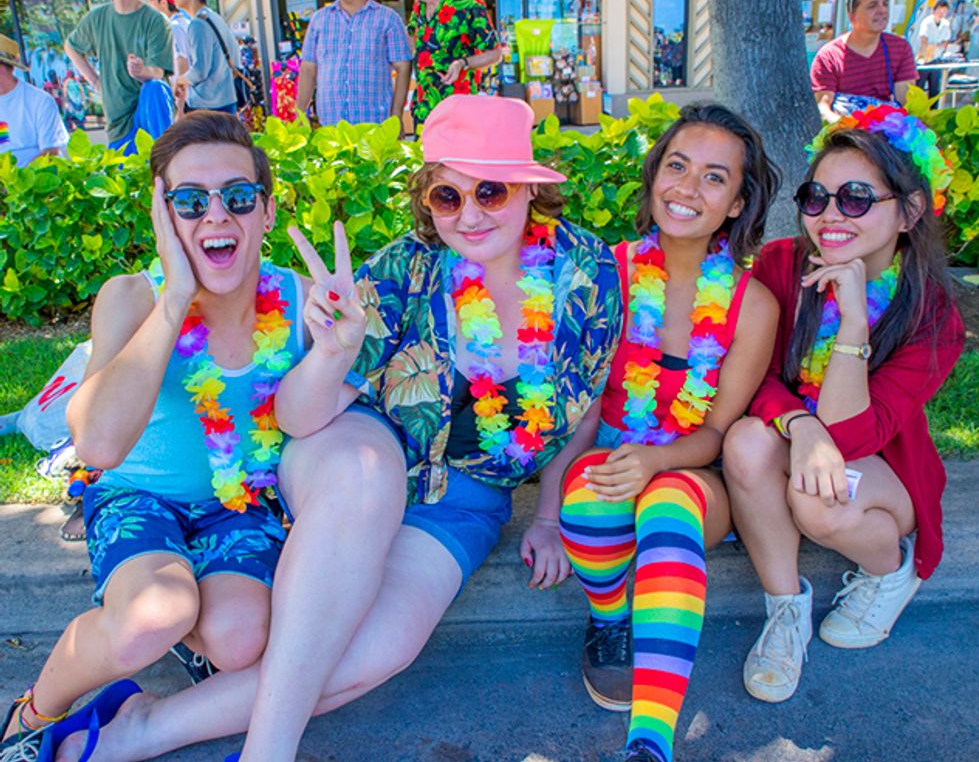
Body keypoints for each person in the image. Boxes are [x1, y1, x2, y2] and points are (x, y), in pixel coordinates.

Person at [36, 93, 621, 762]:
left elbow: (585, 400)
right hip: (365, 453)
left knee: (376, 651)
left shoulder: (588, 273)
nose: (469, 213)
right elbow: (296, 416)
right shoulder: (403, 268)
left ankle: (145, 726)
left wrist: (546, 515)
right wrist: (334, 352)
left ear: (530, 188)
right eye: (447, 195)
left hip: (461, 502)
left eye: (491, 190)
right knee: (360, 474)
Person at [0, 110, 319, 761]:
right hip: (137, 495)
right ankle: (34, 710)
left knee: (239, 640)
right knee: (153, 615)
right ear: (163, 215)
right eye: (190, 201)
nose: (215, 215)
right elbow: (97, 445)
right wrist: (174, 299)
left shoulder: (301, 302)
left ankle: (183, 638)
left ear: (265, 210)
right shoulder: (131, 296)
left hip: (240, 501)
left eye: (237, 197)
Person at [558, 104, 781, 762]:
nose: (687, 188)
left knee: (666, 505)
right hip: (612, 450)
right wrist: (548, 511)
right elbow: (578, 403)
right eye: (677, 166)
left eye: (714, 177)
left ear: (737, 203)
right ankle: (609, 619)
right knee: (591, 497)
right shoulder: (608, 272)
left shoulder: (752, 304)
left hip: (696, 473)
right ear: (655, 175)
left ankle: (650, 744)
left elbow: (716, 430)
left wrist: (658, 462)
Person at [723, 105, 964, 704]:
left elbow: (854, 437)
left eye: (856, 199)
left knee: (818, 503)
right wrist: (800, 424)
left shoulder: (933, 315)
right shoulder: (781, 265)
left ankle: (889, 569)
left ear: (910, 210)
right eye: (817, 197)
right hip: (797, 440)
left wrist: (853, 321)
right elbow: (753, 377)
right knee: (746, 440)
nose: (830, 215)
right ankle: (786, 612)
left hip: (883, 474)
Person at [65, 0, 174, 153]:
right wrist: (95, 81)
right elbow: (71, 47)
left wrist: (141, 71)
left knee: (155, 87)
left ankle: (166, 155)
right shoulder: (96, 19)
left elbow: (158, 72)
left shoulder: (155, 20)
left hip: (150, 118)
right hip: (118, 124)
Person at [295, 0, 412, 127]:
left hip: (375, 129)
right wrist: (300, 118)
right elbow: (308, 70)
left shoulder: (387, 19)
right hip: (330, 131)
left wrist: (396, 116)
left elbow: (403, 67)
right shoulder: (319, 20)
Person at [810, 0, 918, 122]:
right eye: (872, 5)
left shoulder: (900, 48)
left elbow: (907, 104)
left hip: (887, 132)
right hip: (845, 131)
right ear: (852, 16)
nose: (882, 10)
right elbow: (823, 107)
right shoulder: (829, 56)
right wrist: (850, 127)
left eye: (885, 4)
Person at [407, 0, 502, 126]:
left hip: (458, 114)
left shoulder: (468, 3)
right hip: (424, 113)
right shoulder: (420, 7)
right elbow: (411, 43)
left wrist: (463, 63)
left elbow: (495, 53)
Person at [169, 0, 240, 115]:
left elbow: (200, 70)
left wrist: (181, 80)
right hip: (226, 101)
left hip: (208, 106)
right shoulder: (213, 17)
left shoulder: (198, 24)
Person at [0, 34, 70, 166]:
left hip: (36, 176)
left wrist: (17, 176)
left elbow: (51, 152)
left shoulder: (40, 101)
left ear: (7, 67)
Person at [147, 0, 191, 114]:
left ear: (164, 3)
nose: (150, 4)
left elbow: (182, 61)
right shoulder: (185, 22)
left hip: (186, 101)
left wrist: (180, 106)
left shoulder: (174, 27)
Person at [917, 0, 952, 98]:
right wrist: (931, 48)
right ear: (934, 10)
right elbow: (924, 40)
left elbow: (946, 41)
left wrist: (936, 46)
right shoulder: (927, 22)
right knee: (919, 88)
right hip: (924, 59)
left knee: (935, 89)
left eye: (944, 12)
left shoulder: (946, 24)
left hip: (937, 59)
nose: (941, 14)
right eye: (940, 11)